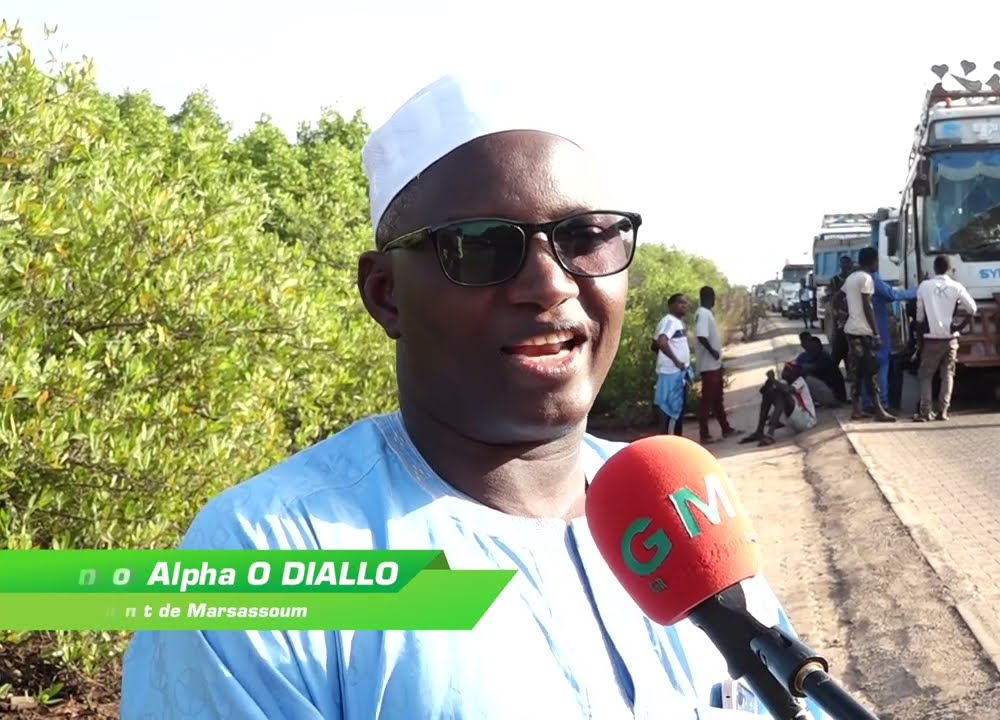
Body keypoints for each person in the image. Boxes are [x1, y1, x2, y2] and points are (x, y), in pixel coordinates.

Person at [119, 68, 822, 719]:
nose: (551, 283)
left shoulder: (679, 508)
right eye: (483, 246)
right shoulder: (263, 562)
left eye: (585, 237)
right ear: (385, 294)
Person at [914, 254, 977, 421]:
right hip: (950, 339)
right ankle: (943, 411)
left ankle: (925, 411)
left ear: (934, 268)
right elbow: (972, 309)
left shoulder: (924, 286)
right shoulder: (956, 286)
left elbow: (919, 316)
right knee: (948, 374)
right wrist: (958, 326)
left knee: (926, 375)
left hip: (931, 339)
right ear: (949, 269)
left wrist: (920, 335)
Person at [842, 247, 897, 422]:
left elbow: (838, 299)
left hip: (851, 330)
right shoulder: (866, 278)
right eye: (877, 262)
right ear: (873, 261)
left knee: (858, 373)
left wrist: (846, 314)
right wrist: (876, 333)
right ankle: (879, 410)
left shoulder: (851, 278)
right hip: (863, 332)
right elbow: (868, 306)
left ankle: (857, 409)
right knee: (871, 370)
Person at [859, 254, 918, 412]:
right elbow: (893, 295)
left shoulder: (857, 278)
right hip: (877, 327)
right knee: (882, 365)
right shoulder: (872, 280)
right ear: (872, 263)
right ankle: (882, 402)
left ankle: (867, 402)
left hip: (862, 328)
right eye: (876, 262)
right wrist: (918, 290)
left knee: (867, 366)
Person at [693, 285, 740, 444]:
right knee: (707, 401)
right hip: (709, 365)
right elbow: (701, 336)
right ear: (709, 297)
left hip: (714, 365)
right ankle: (704, 433)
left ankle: (725, 428)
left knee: (717, 399)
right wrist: (713, 352)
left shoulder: (707, 314)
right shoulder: (703, 314)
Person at [739, 362, 818, 446]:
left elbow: (787, 390)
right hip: (794, 421)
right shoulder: (784, 382)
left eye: (787, 370)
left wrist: (773, 380)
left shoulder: (800, 381)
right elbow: (763, 392)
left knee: (781, 394)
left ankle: (770, 434)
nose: (784, 372)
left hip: (806, 421)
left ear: (793, 373)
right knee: (769, 393)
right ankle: (759, 431)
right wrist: (769, 383)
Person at [654, 292, 694, 435]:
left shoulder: (676, 322)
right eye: (680, 303)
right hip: (671, 372)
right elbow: (661, 342)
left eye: (685, 303)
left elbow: (655, 344)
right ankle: (670, 441)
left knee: (677, 408)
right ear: (671, 305)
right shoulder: (670, 321)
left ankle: (676, 439)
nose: (684, 306)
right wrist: (676, 361)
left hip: (677, 372)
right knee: (669, 409)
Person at [795, 332, 848, 405]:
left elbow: (808, 368)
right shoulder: (811, 357)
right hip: (831, 393)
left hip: (836, 397)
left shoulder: (823, 358)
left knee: (805, 379)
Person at [825, 255, 854, 379]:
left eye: (847, 263)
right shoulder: (835, 280)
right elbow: (832, 298)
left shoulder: (852, 279)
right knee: (840, 346)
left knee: (849, 348)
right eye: (843, 264)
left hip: (852, 315)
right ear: (840, 265)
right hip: (840, 317)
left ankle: (849, 373)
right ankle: (833, 374)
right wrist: (836, 312)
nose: (845, 266)